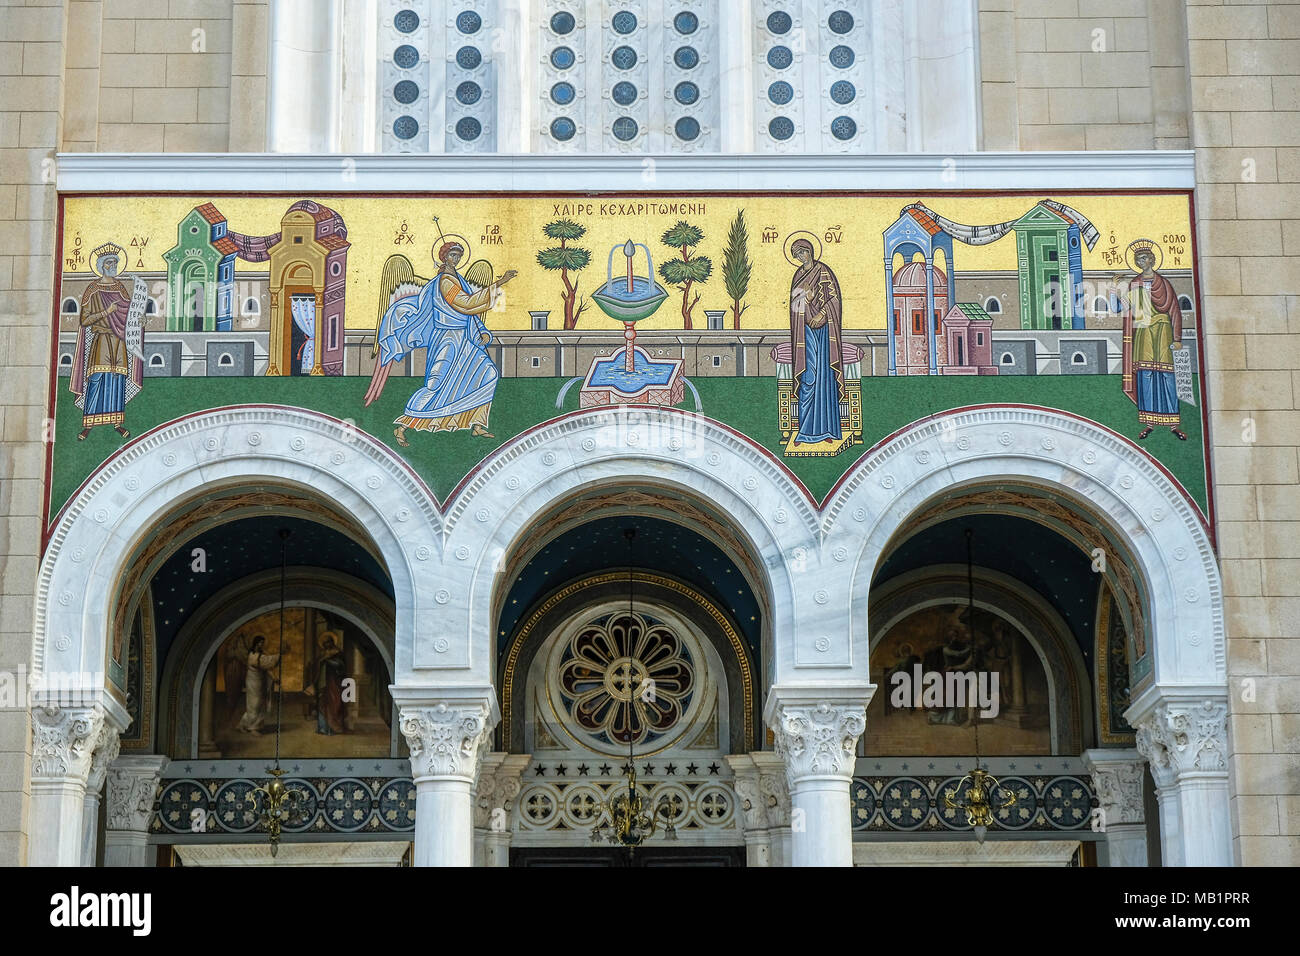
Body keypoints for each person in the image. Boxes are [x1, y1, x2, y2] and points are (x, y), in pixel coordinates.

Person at [370, 241, 517, 446]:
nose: (456, 259)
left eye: (459, 256)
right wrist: (499, 283)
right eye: (453, 255)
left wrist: (481, 332)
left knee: (488, 374)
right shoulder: (445, 282)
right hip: (447, 338)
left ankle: (476, 424)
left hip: (464, 338)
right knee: (435, 385)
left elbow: (467, 314)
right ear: (444, 257)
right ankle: (402, 426)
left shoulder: (458, 280)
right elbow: (466, 304)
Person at [1114, 240, 1187, 441]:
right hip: (1144, 333)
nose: (1141, 261)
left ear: (1152, 260)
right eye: (1138, 259)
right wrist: (1115, 292)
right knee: (1145, 374)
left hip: (1163, 331)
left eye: (1144, 258)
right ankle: (1149, 422)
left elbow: (1174, 310)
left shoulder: (1163, 284)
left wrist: (1178, 338)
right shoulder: (1134, 283)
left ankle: (1173, 423)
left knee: (1166, 375)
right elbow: (1122, 308)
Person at [70, 243, 143, 440]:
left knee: (117, 379)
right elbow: (84, 320)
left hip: (118, 342)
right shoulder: (93, 289)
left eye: (115, 262)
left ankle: (117, 422)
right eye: (109, 262)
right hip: (101, 339)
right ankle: (88, 423)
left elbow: (128, 314)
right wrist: (105, 312)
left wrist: (139, 320)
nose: (113, 265)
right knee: (97, 378)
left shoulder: (120, 289)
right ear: (102, 265)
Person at [788, 239, 846, 444]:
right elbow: (795, 307)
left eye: (803, 252)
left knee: (826, 377)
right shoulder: (798, 276)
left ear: (810, 251)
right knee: (809, 376)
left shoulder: (823, 272)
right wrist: (807, 299)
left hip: (824, 331)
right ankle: (804, 431)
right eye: (797, 254)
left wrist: (822, 313)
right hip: (806, 332)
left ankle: (827, 430)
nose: (801, 257)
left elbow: (835, 300)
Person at [237, 635, 280, 733]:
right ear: (256, 643)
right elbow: (262, 663)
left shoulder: (261, 654)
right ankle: (253, 728)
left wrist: (274, 678)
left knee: (258, 703)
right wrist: (278, 656)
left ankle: (243, 724)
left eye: (263, 643)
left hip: (259, 680)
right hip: (252, 680)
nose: (262, 645)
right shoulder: (252, 655)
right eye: (260, 643)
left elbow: (267, 667)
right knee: (254, 703)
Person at [314, 633, 346, 735]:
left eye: (329, 642)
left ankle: (334, 728)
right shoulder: (323, 654)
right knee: (322, 703)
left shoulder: (337, 653)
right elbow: (317, 667)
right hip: (323, 683)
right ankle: (323, 728)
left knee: (335, 703)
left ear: (332, 642)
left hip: (334, 682)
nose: (327, 644)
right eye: (325, 642)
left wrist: (328, 661)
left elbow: (341, 665)